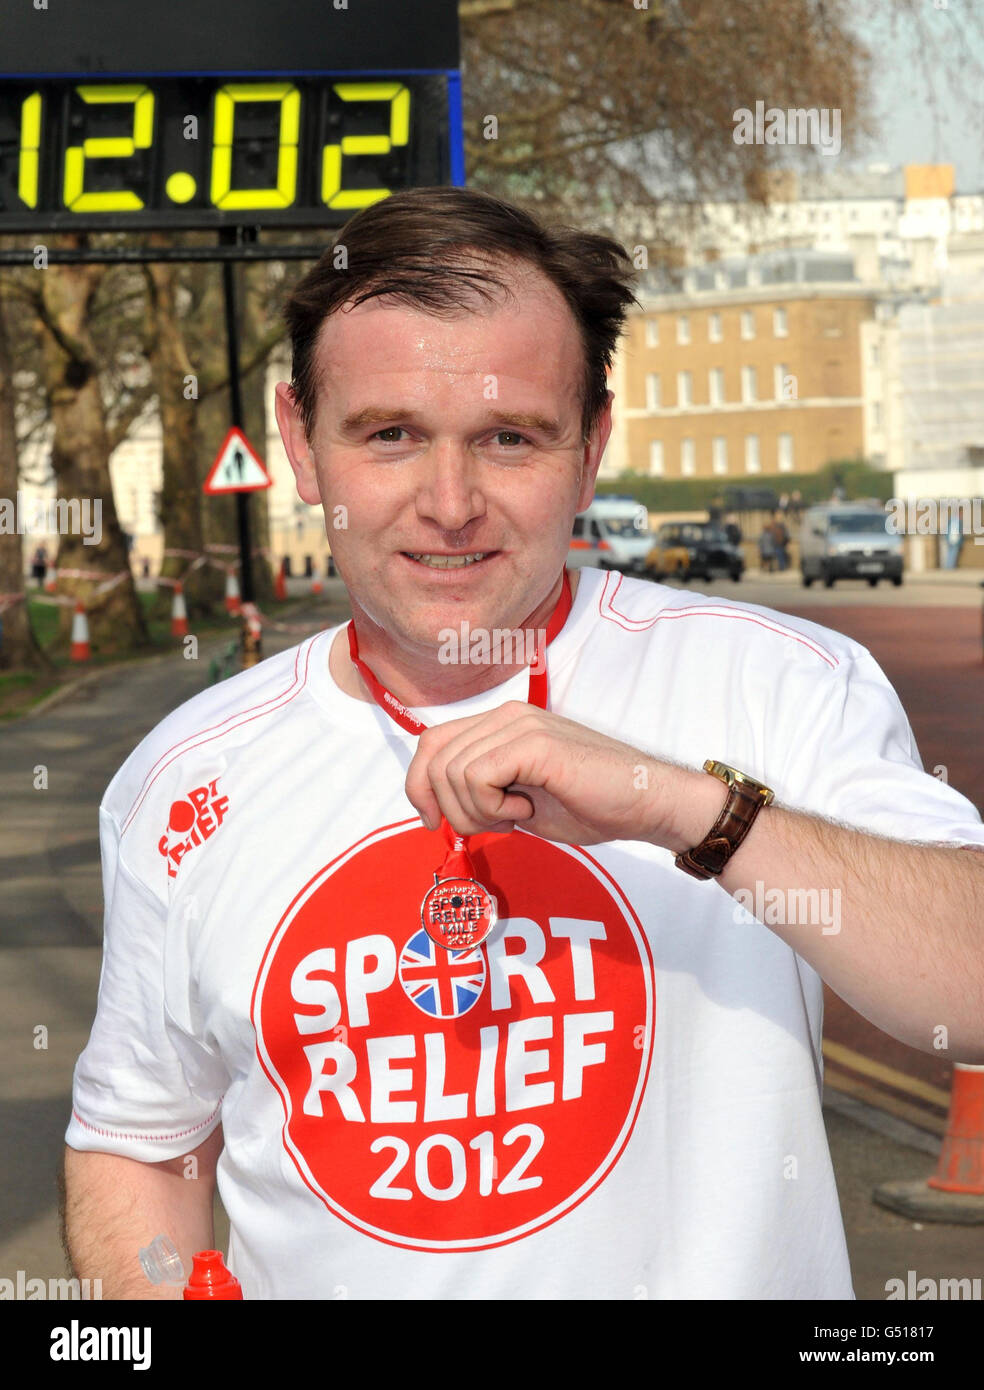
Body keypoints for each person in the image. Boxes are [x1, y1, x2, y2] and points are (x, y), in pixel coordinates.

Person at [62, 187, 984, 1301]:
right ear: (300, 442)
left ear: (592, 446)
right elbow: (141, 1141)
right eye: (390, 434)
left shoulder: (777, 682)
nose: (450, 503)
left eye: (510, 438)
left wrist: (682, 806)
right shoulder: (181, 778)